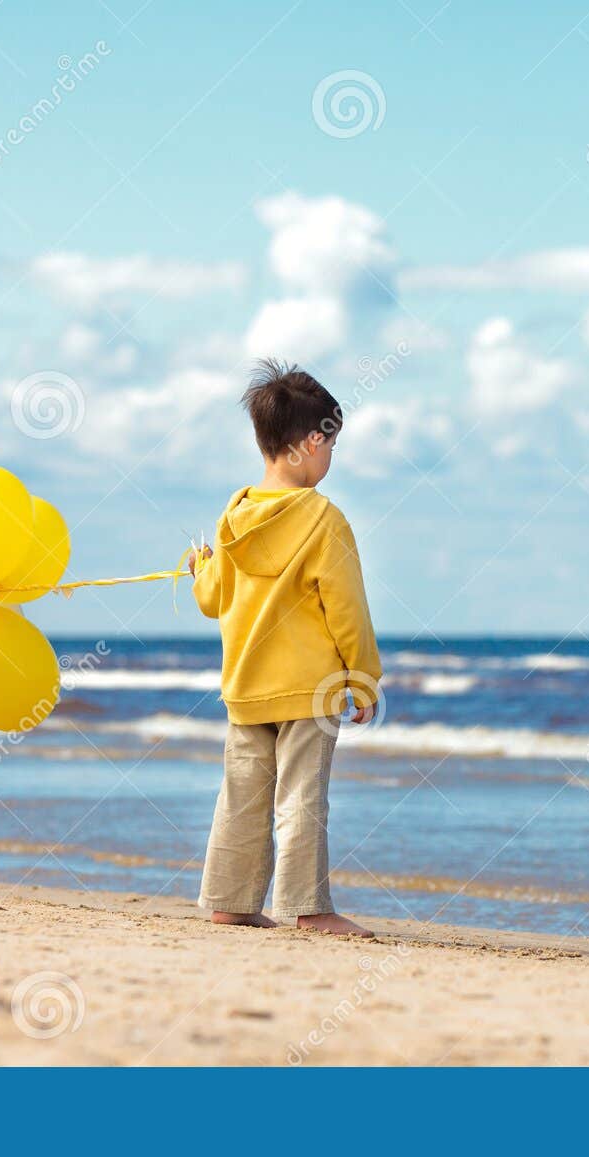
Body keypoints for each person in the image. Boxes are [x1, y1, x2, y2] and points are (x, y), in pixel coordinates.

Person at [188, 358, 381, 936]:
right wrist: (363, 675)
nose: (330, 458)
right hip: (308, 688)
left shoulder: (234, 518)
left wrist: (200, 570)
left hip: (246, 685)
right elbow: (345, 607)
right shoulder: (323, 519)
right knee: (301, 799)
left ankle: (231, 900)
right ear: (307, 443)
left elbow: (213, 598)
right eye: (329, 444)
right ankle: (308, 908)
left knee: (243, 796)